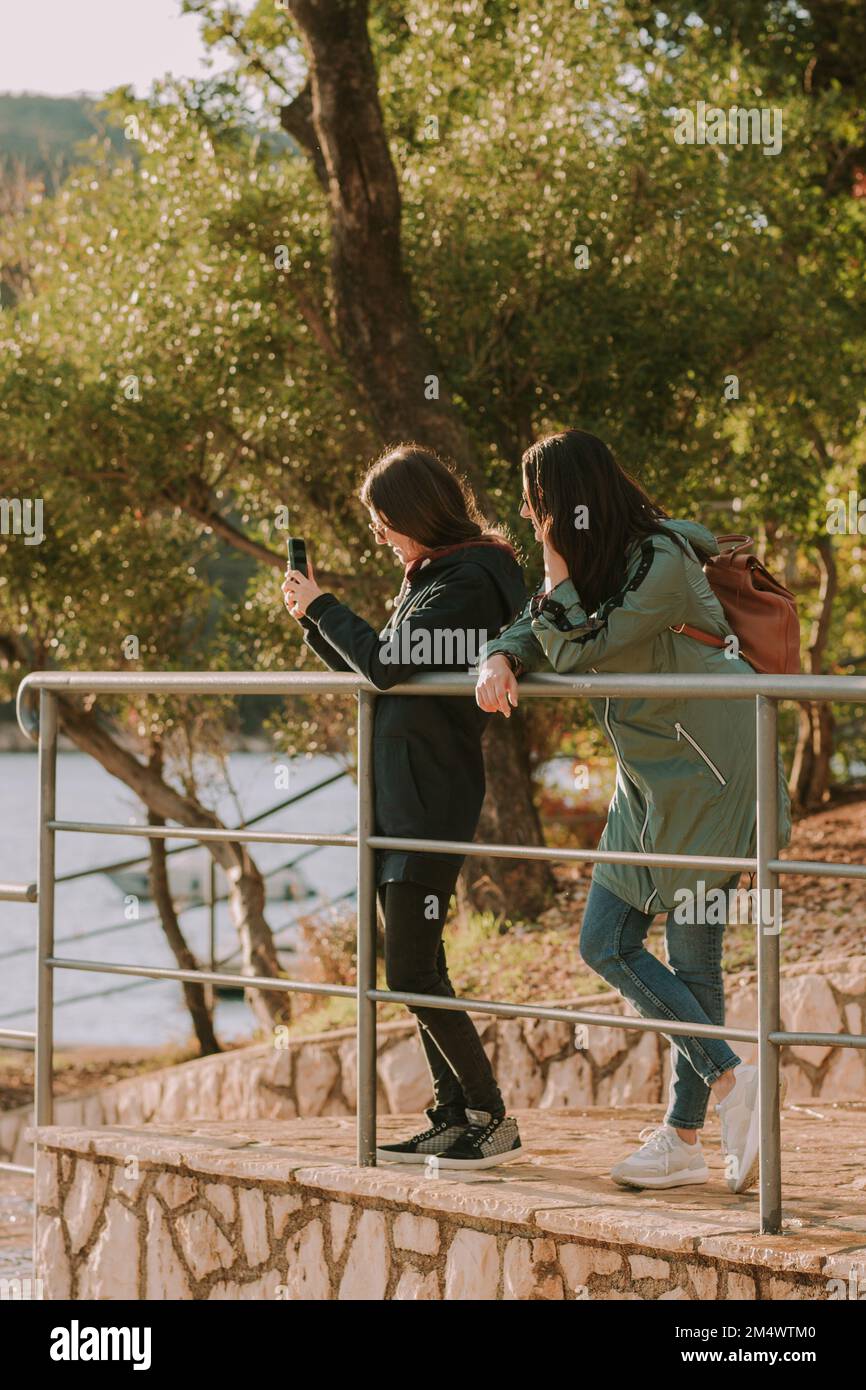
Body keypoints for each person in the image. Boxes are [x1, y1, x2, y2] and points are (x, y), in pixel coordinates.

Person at [476, 428, 793, 1192]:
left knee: (692, 957)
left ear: (566, 504)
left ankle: (694, 1125)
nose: (527, 515)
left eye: (535, 503)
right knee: (606, 940)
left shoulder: (664, 560)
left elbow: (585, 647)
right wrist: (500, 654)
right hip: (647, 780)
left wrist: (553, 570)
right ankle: (721, 1094)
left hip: (713, 776)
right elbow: (541, 628)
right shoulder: (606, 559)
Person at [282, 443, 527, 1170]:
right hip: (403, 799)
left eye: (384, 524)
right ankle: (453, 1114)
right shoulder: (436, 578)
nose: (381, 538)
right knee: (422, 964)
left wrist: (326, 606)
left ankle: (489, 1116)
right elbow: (382, 666)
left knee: (411, 969)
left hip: (430, 798)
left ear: (414, 513)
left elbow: (387, 665)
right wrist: (311, 617)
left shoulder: (472, 580)